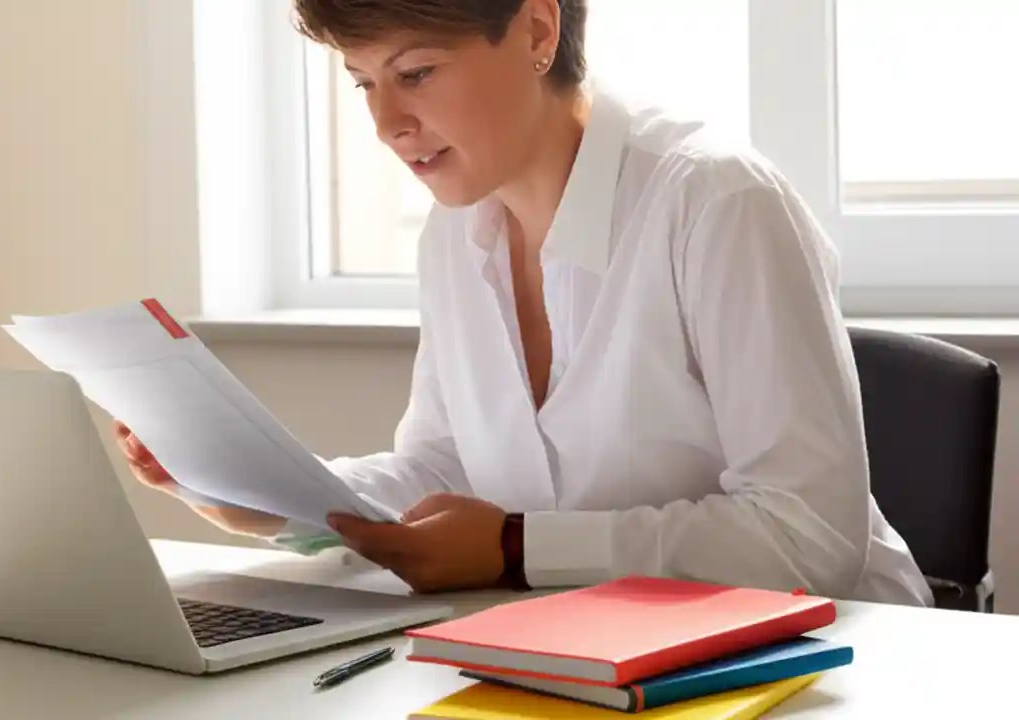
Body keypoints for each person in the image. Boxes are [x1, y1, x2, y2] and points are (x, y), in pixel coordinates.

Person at [116, 0, 933, 606]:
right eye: (363, 82)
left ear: (539, 30)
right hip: (591, 650)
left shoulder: (718, 200)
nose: (386, 123)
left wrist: (514, 545)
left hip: (836, 657)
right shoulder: (454, 234)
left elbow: (810, 539)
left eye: (415, 73)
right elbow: (440, 469)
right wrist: (262, 495)